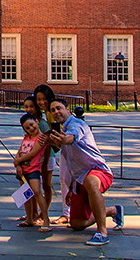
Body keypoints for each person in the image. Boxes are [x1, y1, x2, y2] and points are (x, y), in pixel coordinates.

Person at [49, 99, 124, 246]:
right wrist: (71, 187)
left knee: (91, 181)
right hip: (79, 180)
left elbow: (73, 136)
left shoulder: (77, 124)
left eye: (59, 108)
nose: (56, 112)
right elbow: (72, 164)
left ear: (68, 109)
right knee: (77, 224)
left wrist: (65, 140)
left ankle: (102, 232)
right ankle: (112, 211)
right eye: (52, 110)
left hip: (98, 171)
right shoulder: (63, 129)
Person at [13, 112, 50, 230]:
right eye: (27, 128)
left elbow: (33, 153)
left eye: (32, 124)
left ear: (37, 122)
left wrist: (18, 161)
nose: (31, 128)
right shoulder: (26, 138)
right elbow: (19, 151)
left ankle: (46, 220)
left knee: (37, 192)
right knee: (26, 195)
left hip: (33, 169)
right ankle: (29, 218)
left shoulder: (41, 138)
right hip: (22, 171)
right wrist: (17, 165)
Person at [33, 85, 64, 223]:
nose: (42, 102)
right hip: (42, 154)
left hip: (49, 154)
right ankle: (34, 213)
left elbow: (55, 137)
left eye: (44, 99)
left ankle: (44, 213)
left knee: (51, 184)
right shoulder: (43, 116)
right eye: (39, 99)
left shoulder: (51, 115)